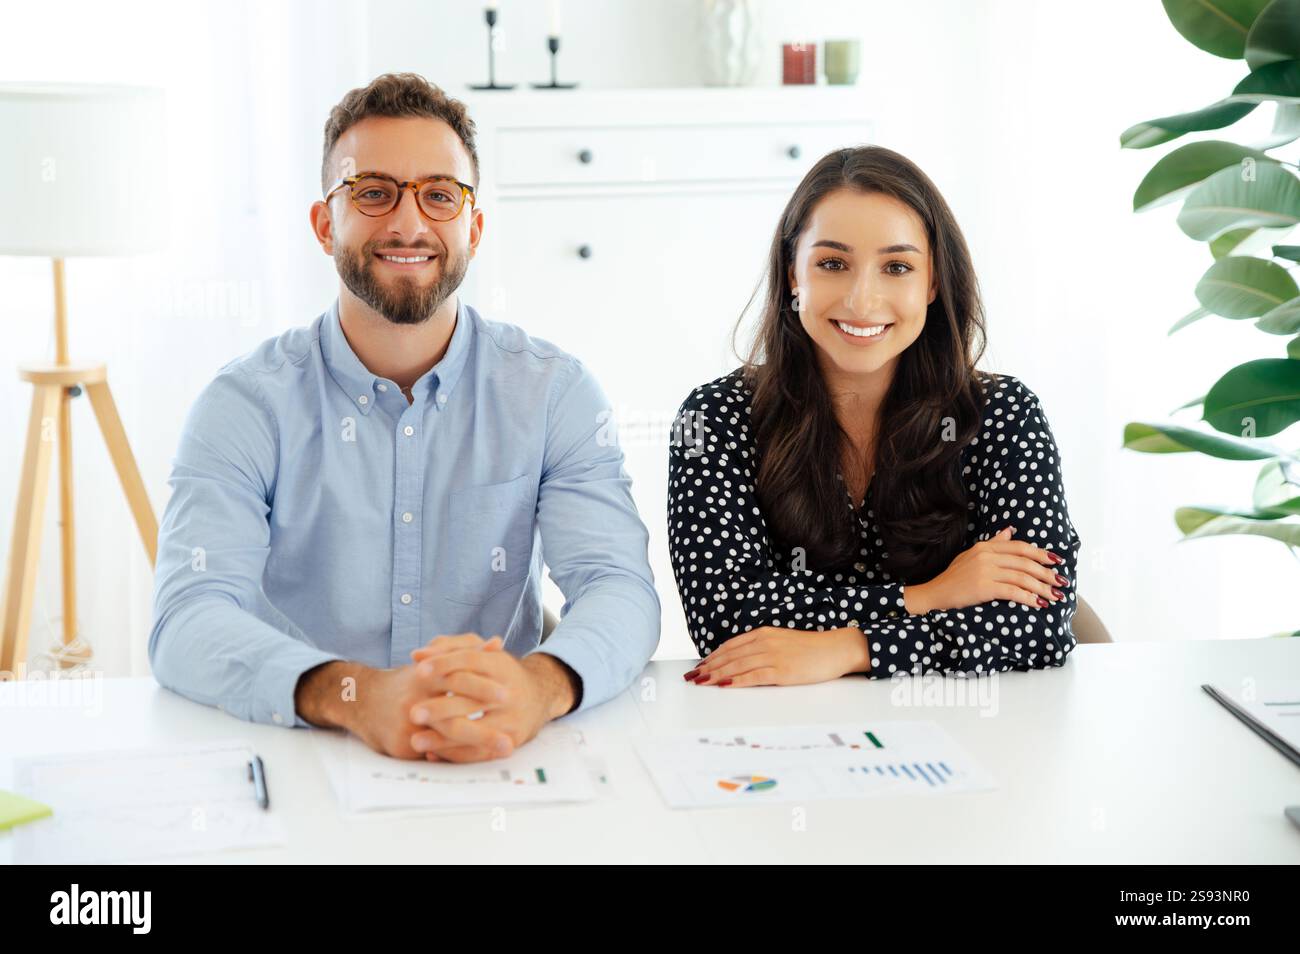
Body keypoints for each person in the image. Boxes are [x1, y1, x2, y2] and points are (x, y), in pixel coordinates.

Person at [149, 73, 659, 762]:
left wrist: (538, 687)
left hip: (500, 751)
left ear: (473, 228)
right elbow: (189, 615)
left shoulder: (554, 394)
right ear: (326, 222)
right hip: (302, 751)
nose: (409, 223)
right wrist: (353, 695)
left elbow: (618, 588)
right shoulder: (244, 405)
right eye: (373, 191)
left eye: (439, 196)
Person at [668, 145, 1078, 688]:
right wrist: (932, 596)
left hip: (975, 735)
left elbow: (1040, 625)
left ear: (932, 283)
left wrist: (850, 648)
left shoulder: (1003, 415)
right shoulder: (714, 418)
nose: (863, 300)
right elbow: (727, 616)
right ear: (794, 274)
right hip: (782, 735)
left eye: (897, 267)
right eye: (833, 264)